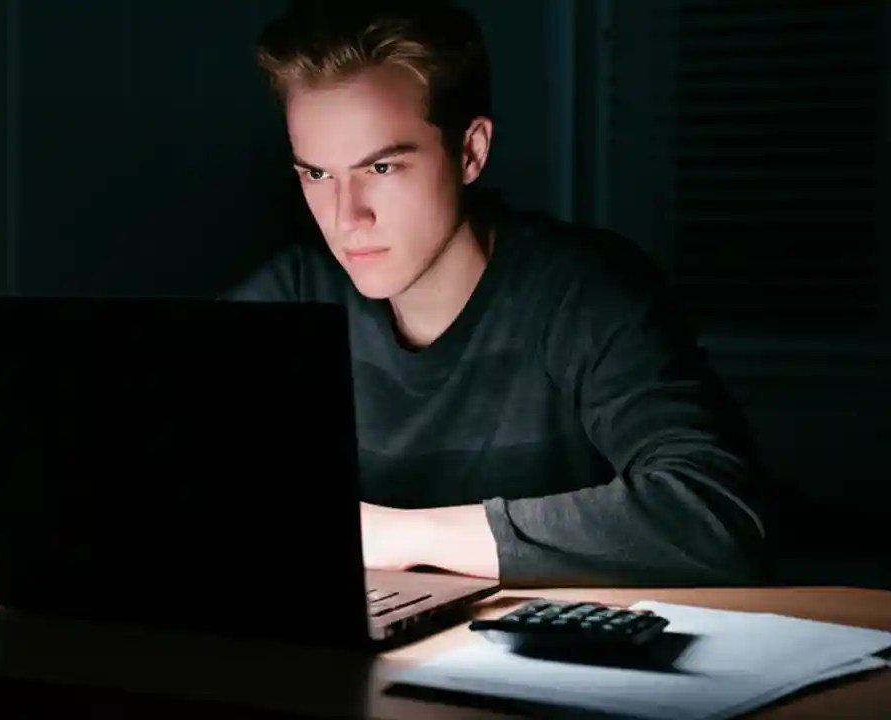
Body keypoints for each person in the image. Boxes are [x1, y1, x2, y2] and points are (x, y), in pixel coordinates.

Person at [222, 0, 768, 588]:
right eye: (317, 174)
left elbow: (718, 516)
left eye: (381, 169)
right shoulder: (294, 294)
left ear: (470, 151)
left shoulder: (582, 291)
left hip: (560, 667)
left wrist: (400, 537)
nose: (346, 217)